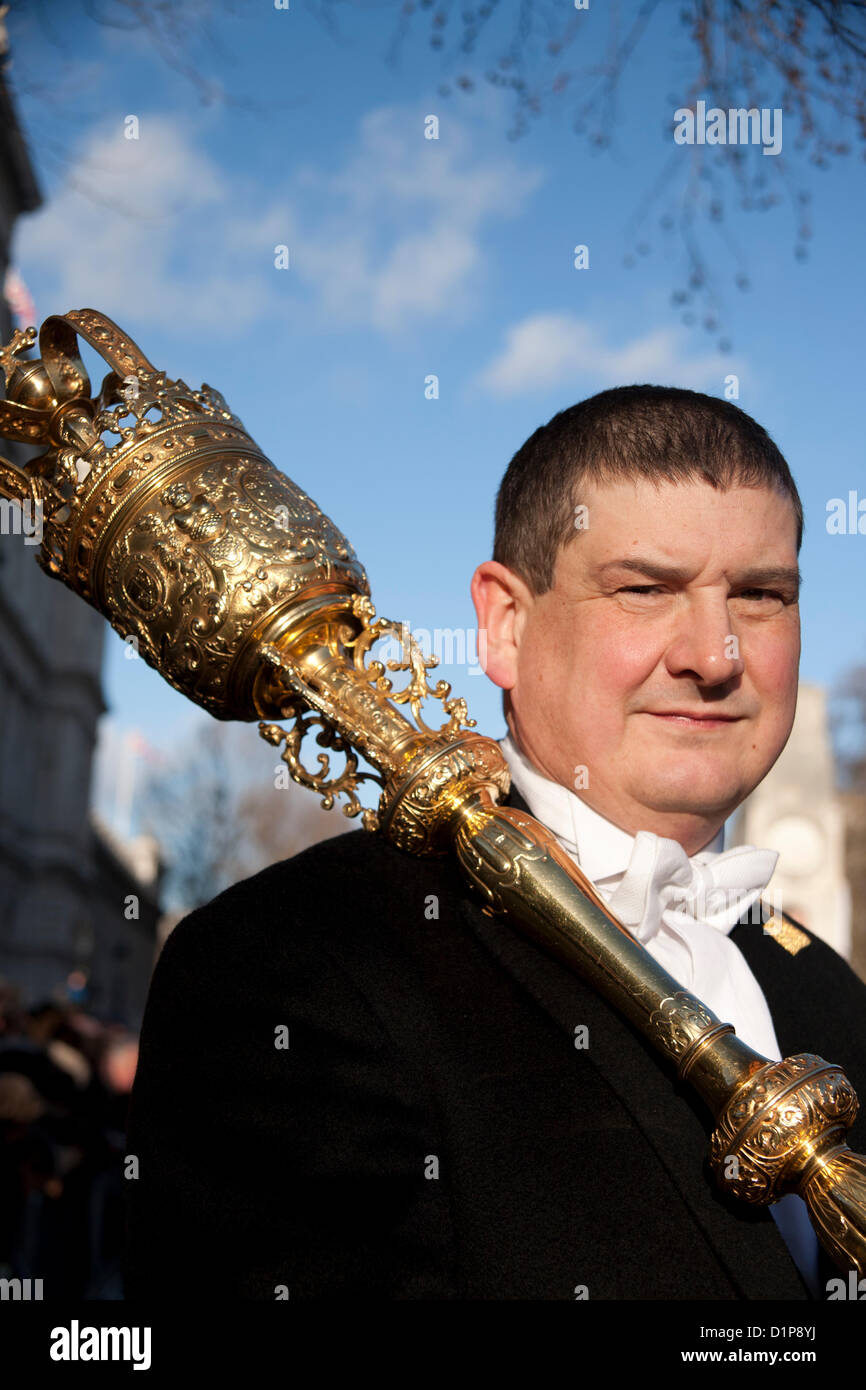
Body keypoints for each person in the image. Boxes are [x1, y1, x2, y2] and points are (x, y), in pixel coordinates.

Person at [123, 386, 866, 1301]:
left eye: (760, 595)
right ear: (506, 625)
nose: (715, 656)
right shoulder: (296, 962)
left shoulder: (823, 987)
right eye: (644, 589)